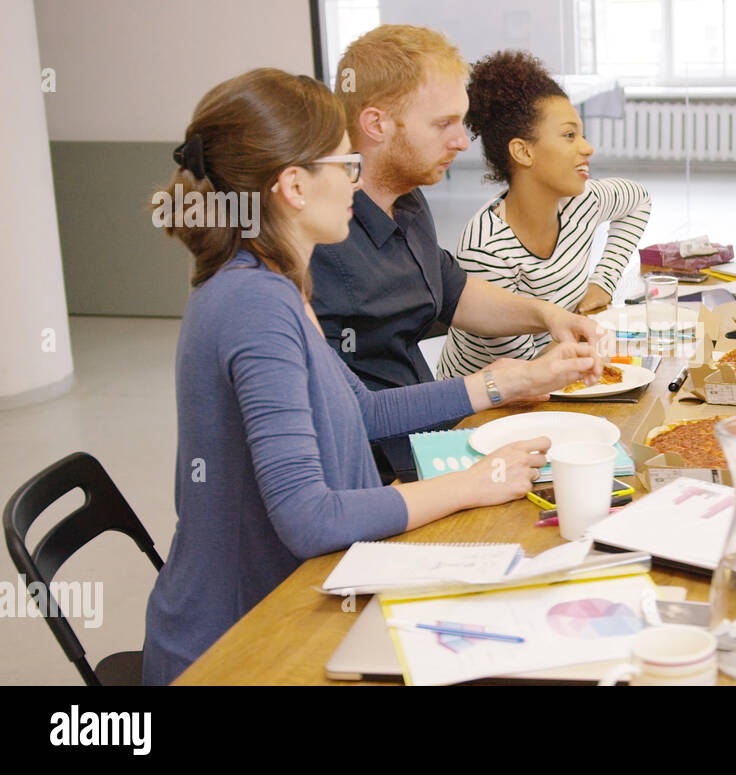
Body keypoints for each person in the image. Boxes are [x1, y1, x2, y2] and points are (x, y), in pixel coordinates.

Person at [142, 68, 599, 685]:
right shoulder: (255, 305)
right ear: (294, 186)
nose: (355, 185)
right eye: (345, 166)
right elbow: (309, 518)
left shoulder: (274, 282)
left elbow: (357, 411)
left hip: (296, 600)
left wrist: (502, 383)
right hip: (243, 645)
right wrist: (470, 484)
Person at [309, 26, 606, 478]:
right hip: (370, 472)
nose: (462, 141)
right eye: (442, 124)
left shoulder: (406, 199)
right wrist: (498, 384)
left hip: (429, 442)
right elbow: (347, 412)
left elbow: (453, 289)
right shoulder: (321, 239)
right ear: (376, 124)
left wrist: (549, 316)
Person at [434, 51, 651, 379]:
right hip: (485, 411)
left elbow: (639, 201)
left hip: (551, 379)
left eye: (581, 133)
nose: (587, 147)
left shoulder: (583, 202)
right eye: (569, 135)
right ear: (523, 151)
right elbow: (524, 374)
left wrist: (603, 282)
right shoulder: (486, 248)